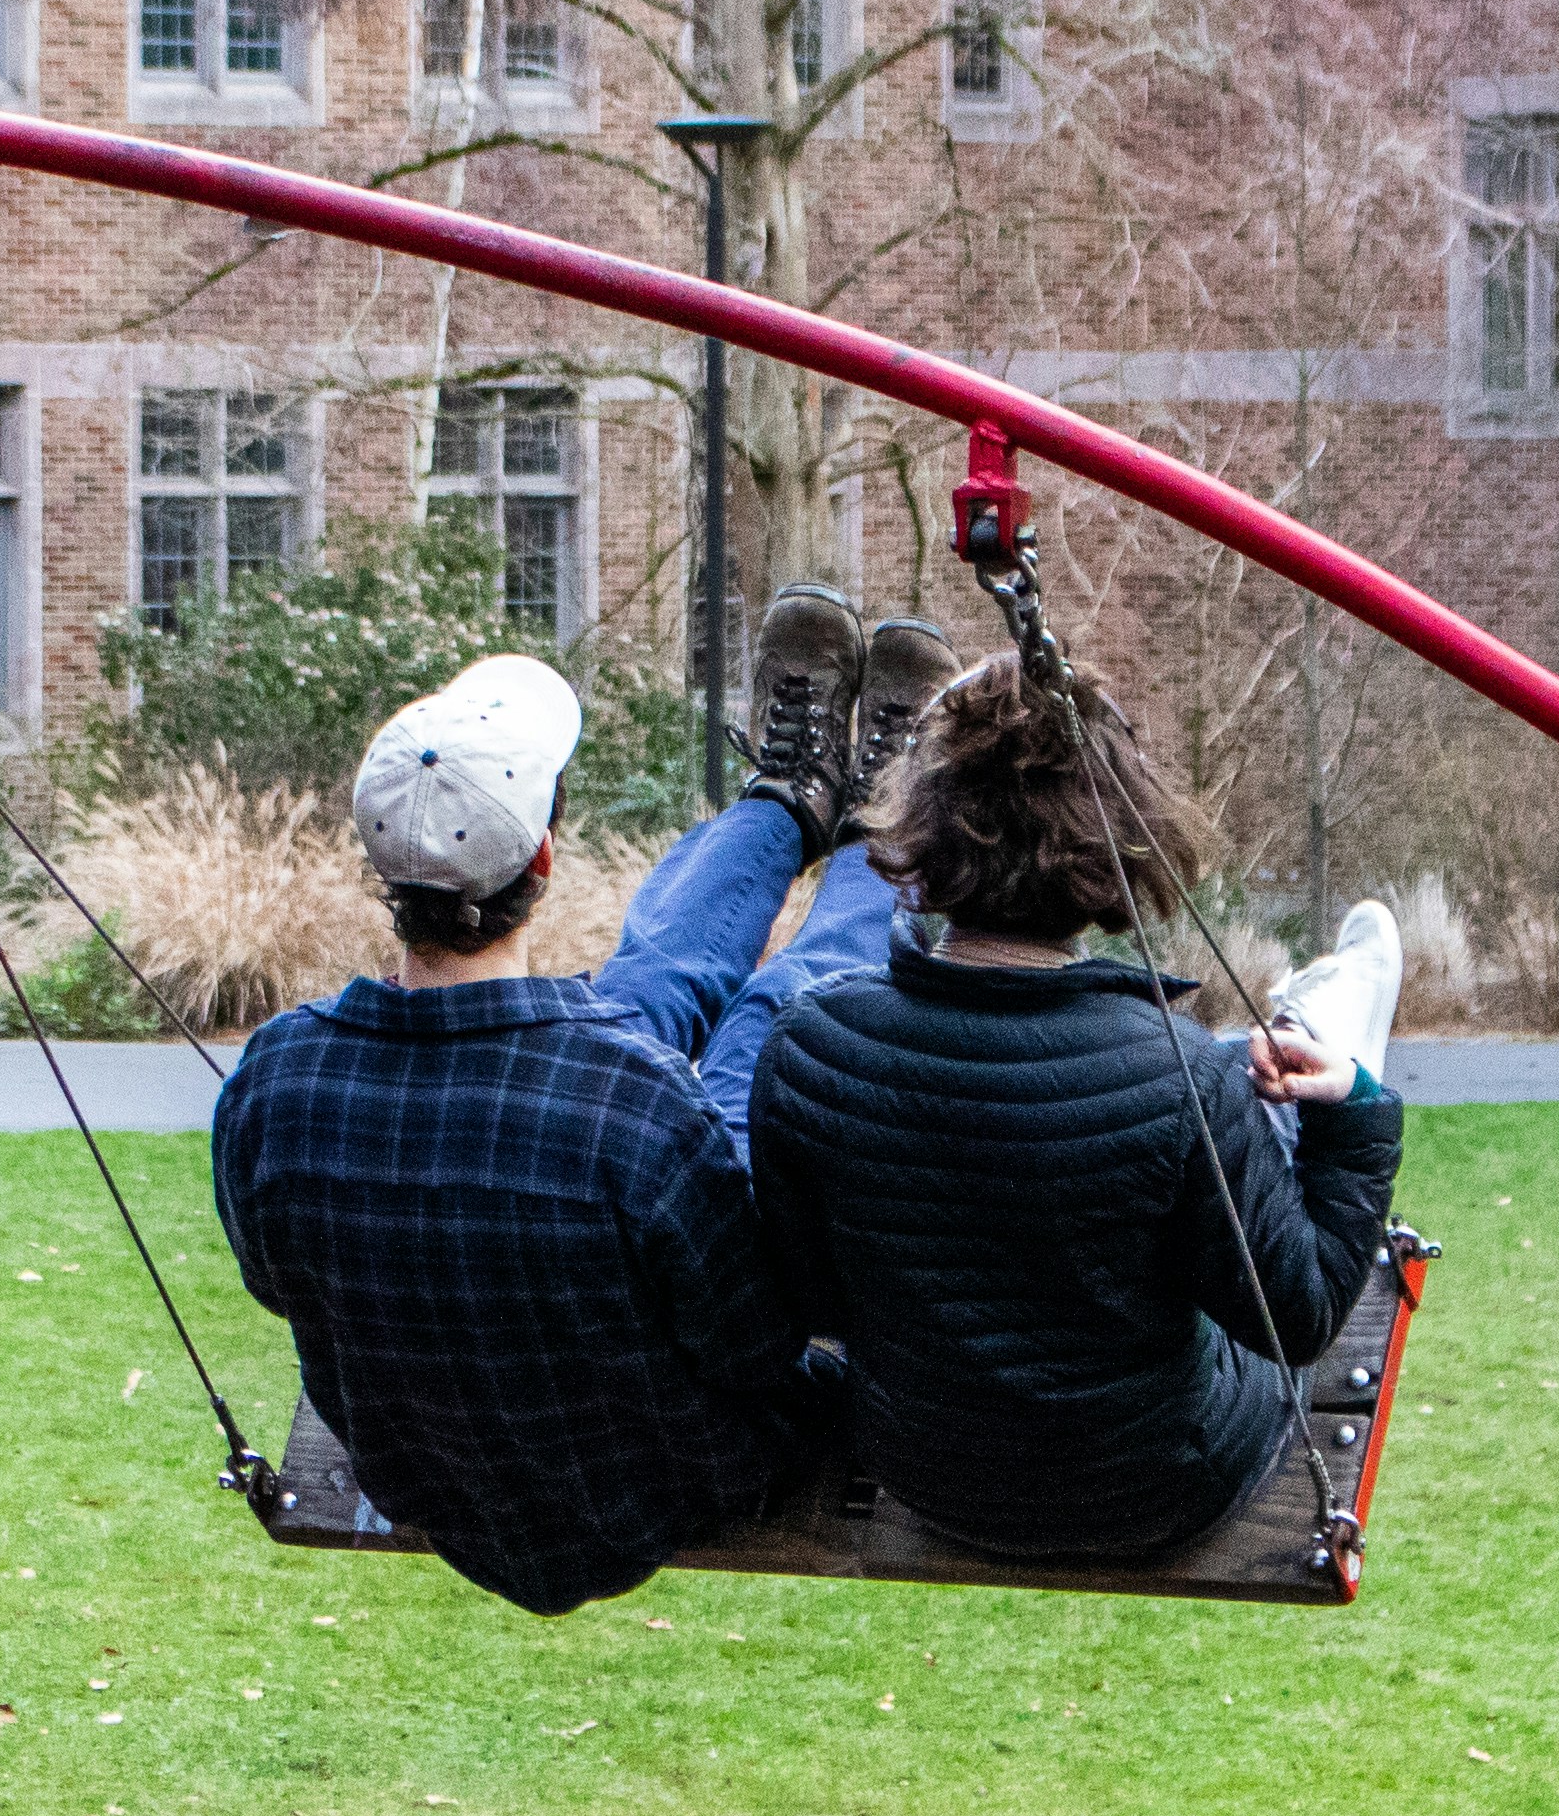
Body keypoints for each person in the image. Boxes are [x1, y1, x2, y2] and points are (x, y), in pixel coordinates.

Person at [208, 593, 955, 1615]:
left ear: (382, 869)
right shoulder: (630, 1104)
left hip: (434, 1470)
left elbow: (273, 1281)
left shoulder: (275, 1077)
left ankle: (790, 795)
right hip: (664, 1480)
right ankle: (881, 828)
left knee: (649, 988)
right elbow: (750, 1347)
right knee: (778, 1019)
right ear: (544, 856)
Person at [744, 654, 1411, 1566]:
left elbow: (811, 1292)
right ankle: (1331, 1047)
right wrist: (1360, 1117)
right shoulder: (1175, 1076)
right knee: (1251, 1108)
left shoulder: (811, 1043)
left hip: (929, 1475)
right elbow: (1298, 1317)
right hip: (1151, 1488)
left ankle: (1302, 1042)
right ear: (1111, 852)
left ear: (927, 831)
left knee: (1190, 1111)